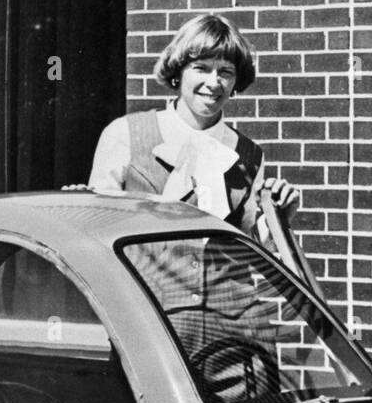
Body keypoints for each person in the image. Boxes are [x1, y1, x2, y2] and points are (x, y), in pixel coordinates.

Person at [83, 13, 299, 245]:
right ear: (178, 71)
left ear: (237, 81)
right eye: (201, 68)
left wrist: (278, 217)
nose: (214, 82)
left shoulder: (249, 154)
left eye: (225, 71)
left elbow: (249, 244)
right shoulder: (124, 134)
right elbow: (98, 231)